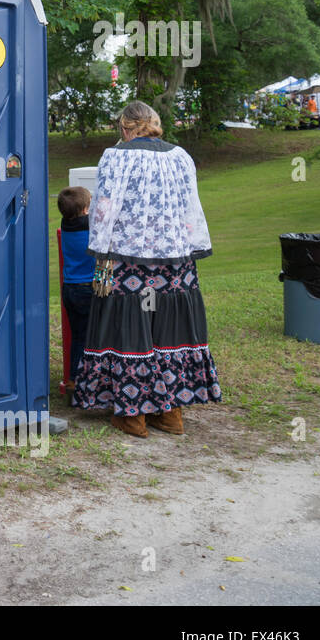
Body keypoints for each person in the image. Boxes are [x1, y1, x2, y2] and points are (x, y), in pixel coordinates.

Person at [72, 101, 221, 437]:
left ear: (125, 128)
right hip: (176, 260)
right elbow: (190, 205)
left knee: (129, 329)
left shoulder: (116, 156)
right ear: (155, 124)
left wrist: (100, 249)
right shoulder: (181, 156)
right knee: (170, 330)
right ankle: (170, 413)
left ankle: (133, 415)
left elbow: (104, 207)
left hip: (128, 259)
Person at [57, 186, 94, 400]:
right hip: (86, 290)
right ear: (85, 209)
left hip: (70, 289)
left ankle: (73, 381)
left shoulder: (67, 225)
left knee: (78, 338)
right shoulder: (88, 227)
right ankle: (86, 387)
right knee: (91, 339)